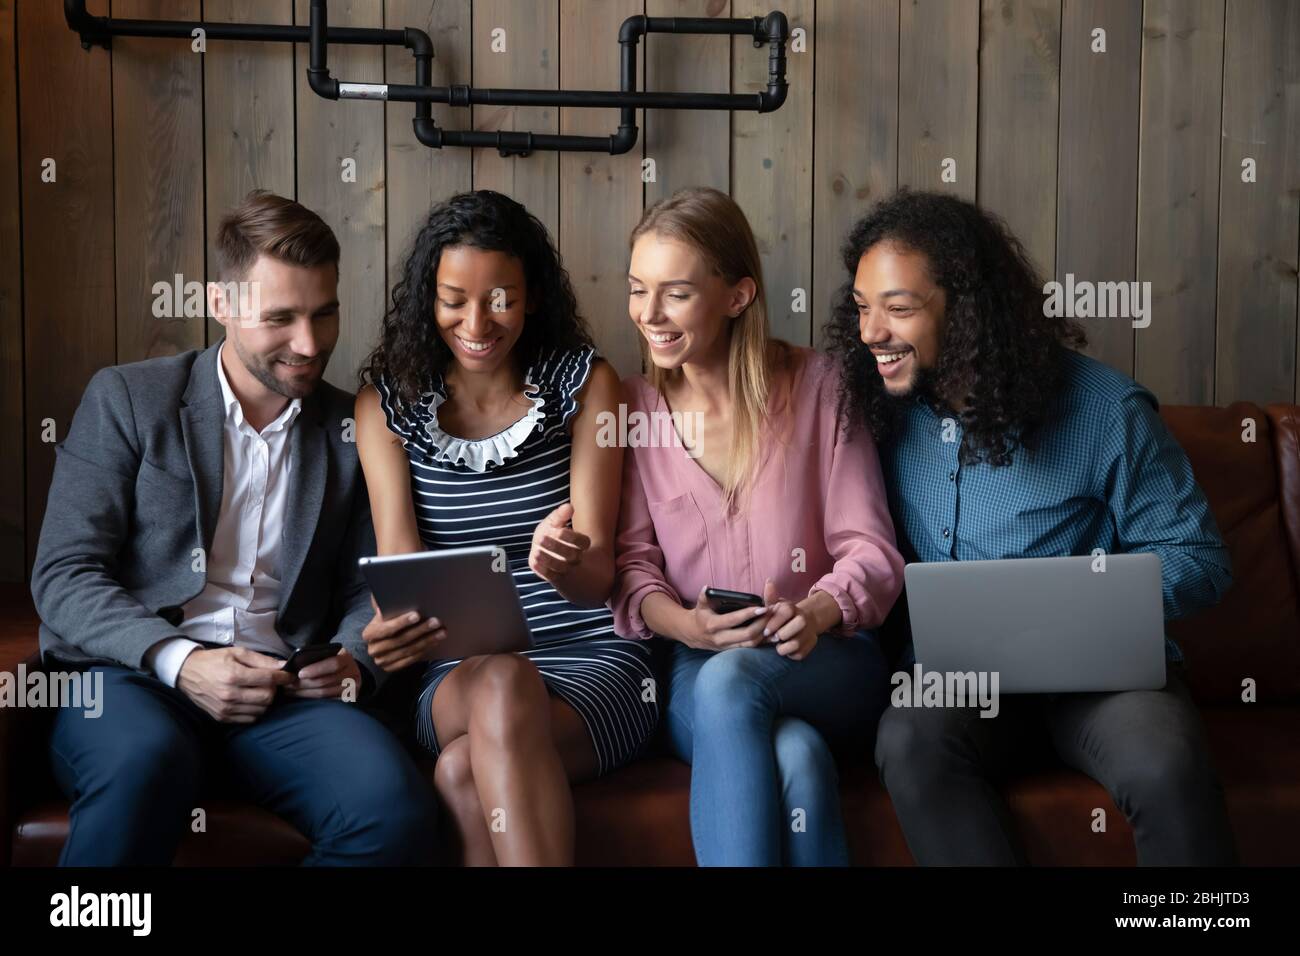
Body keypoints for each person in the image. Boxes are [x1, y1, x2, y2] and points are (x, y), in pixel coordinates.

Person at [825, 188, 1237, 865]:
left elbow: (1200, 559)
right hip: (966, 687)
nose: (872, 331)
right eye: (863, 307)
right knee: (909, 740)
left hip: (1108, 683)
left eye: (898, 308)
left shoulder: (1107, 409)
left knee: (1166, 766)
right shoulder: (881, 412)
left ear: (967, 312)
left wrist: (1089, 601)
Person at [31, 190, 439, 866]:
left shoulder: (353, 426)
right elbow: (64, 574)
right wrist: (181, 660)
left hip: (288, 693)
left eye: (324, 314)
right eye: (280, 318)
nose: (309, 345)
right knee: (140, 770)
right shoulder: (129, 399)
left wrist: (351, 666)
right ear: (221, 306)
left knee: (392, 811)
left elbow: (370, 586)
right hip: (134, 678)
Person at [355, 190, 658, 866]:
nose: (477, 322)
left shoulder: (586, 386)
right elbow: (401, 572)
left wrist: (562, 561)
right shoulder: (386, 408)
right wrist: (388, 631)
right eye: (453, 298)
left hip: (592, 663)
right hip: (460, 677)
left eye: (501, 299)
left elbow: (599, 573)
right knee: (501, 682)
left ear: (533, 298)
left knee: (463, 774)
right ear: (425, 300)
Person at [612, 187, 905, 866]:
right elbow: (631, 567)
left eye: (675, 293)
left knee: (733, 681)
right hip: (696, 670)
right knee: (795, 755)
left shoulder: (824, 387)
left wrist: (817, 611)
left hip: (829, 662)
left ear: (737, 295)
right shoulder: (633, 409)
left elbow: (871, 551)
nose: (648, 315)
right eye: (637, 289)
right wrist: (688, 625)